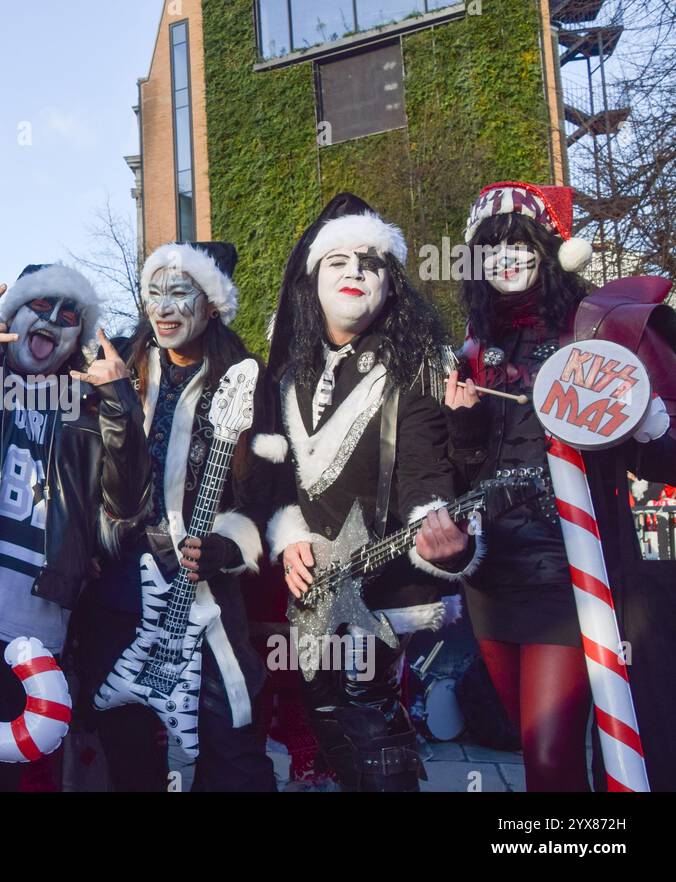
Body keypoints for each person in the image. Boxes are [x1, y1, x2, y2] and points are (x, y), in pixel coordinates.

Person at [446, 181, 676, 791]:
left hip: (572, 577)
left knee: (550, 757)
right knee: (536, 753)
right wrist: (465, 423)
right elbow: (465, 476)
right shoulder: (473, 349)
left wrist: (649, 426)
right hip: (492, 580)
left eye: (519, 242)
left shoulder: (597, 333)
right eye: (489, 248)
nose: (505, 259)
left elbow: (665, 463)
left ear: (550, 249)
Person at [0, 264, 150, 791]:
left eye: (69, 317)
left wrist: (121, 403)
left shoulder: (86, 410)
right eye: (41, 307)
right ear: (14, 315)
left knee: (3, 774)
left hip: (39, 625)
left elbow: (128, 505)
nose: (54, 321)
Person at [264, 195, 476, 792]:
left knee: (372, 722)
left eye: (371, 262)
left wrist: (438, 526)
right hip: (313, 591)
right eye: (338, 261)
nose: (355, 271)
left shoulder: (419, 365)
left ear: (391, 285)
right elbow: (280, 480)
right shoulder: (288, 377)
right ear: (312, 279)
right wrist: (289, 536)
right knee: (328, 718)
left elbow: (426, 468)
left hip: (384, 584)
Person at [75, 241, 278, 792]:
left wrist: (230, 546)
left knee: (232, 740)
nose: (163, 309)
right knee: (127, 744)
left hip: (202, 588)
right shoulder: (117, 365)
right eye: (154, 295)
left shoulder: (244, 381)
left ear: (211, 304)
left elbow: (263, 495)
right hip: (119, 585)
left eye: (180, 294)